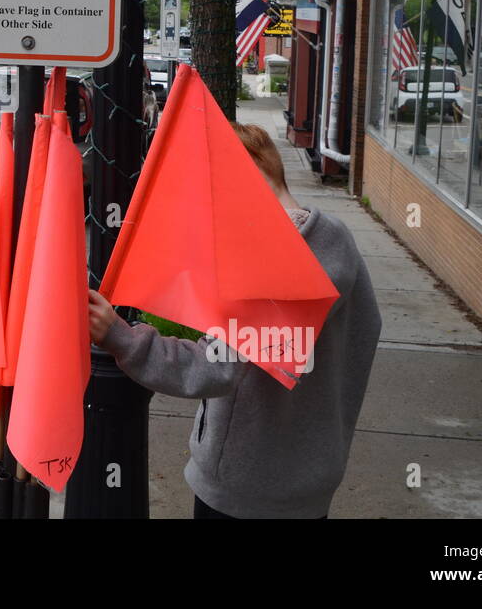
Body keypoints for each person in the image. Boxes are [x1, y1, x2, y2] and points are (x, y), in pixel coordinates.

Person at [88, 122, 382, 519]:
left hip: (243, 487)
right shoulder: (337, 240)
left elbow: (215, 369)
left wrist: (121, 338)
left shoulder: (273, 263)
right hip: (311, 479)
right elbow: (367, 330)